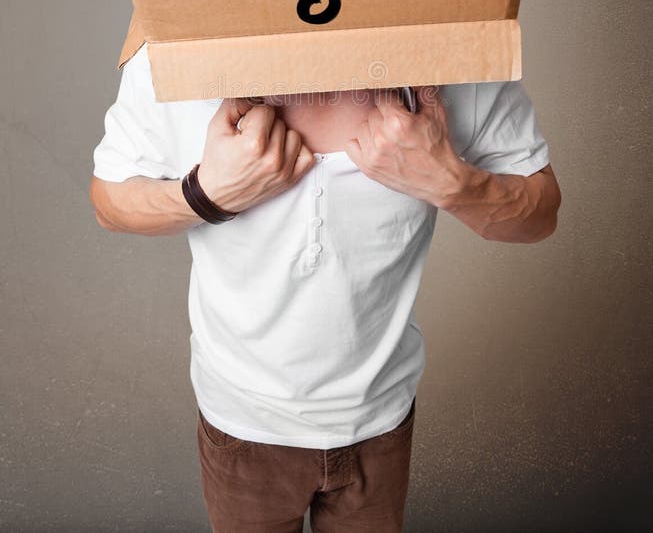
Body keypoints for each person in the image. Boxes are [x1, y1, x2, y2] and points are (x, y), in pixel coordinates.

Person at [90, 44, 561, 533]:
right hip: (242, 421)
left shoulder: (450, 46)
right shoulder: (177, 51)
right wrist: (206, 194)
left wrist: (453, 182)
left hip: (379, 420)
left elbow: (541, 213)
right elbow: (109, 202)